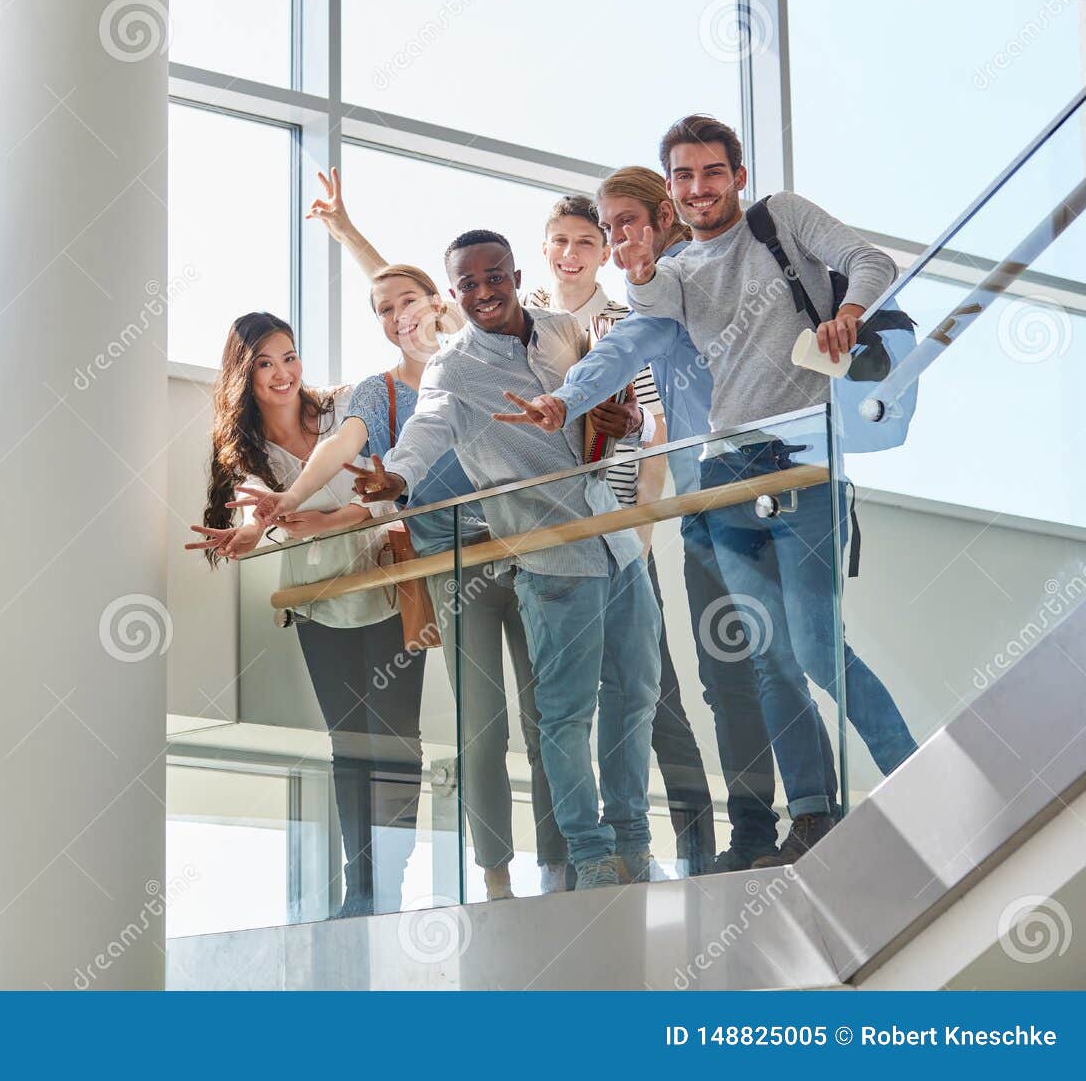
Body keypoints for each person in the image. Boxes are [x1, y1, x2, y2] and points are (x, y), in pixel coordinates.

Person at [513, 117, 917, 867]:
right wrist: (563, 401)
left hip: (803, 460)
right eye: (685, 176)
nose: (699, 188)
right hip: (727, 472)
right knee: (767, 656)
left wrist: (849, 313)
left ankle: (919, 783)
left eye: (712, 172)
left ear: (737, 175)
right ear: (671, 190)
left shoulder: (780, 219)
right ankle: (812, 817)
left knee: (817, 645)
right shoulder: (674, 278)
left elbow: (869, 260)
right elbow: (629, 342)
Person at [237, 168, 573, 898]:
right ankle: (488, 877)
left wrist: (348, 233)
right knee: (480, 725)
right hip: (450, 562)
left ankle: (562, 862)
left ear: (441, 301)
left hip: (531, 545)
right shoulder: (381, 393)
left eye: (411, 304)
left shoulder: (481, 355)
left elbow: (414, 294)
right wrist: (296, 504)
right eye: (383, 312)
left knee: (549, 714)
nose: (399, 317)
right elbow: (347, 454)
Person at [351, 229, 661, 890]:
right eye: (469, 284)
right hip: (552, 561)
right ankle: (591, 855)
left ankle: (633, 840)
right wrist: (397, 477)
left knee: (637, 694)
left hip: (616, 541)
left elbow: (621, 419)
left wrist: (631, 423)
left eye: (495, 276)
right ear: (453, 294)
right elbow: (426, 429)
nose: (485, 292)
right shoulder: (453, 368)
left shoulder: (564, 332)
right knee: (564, 716)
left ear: (517, 276)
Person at [186, 312, 423, 916]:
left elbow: (393, 492)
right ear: (244, 376)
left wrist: (326, 520)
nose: (282, 373)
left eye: (289, 357)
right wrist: (250, 534)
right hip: (318, 606)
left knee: (397, 744)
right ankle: (360, 890)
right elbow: (256, 512)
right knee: (352, 747)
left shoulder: (345, 409)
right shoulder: (246, 450)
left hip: (386, 589)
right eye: (265, 364)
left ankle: (389, 883)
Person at [529, 193, 717, 877]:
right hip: (554, 541)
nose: (571, 253)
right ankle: (571, 858)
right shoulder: (528, 327)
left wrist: (638, 530)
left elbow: (655, 431)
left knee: (649, 694)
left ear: (604, 252)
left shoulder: (625, 321)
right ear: (544, 248)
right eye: (560, 240)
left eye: (586, 241)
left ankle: (693, 850)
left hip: (621, 537)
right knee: (560, 703)